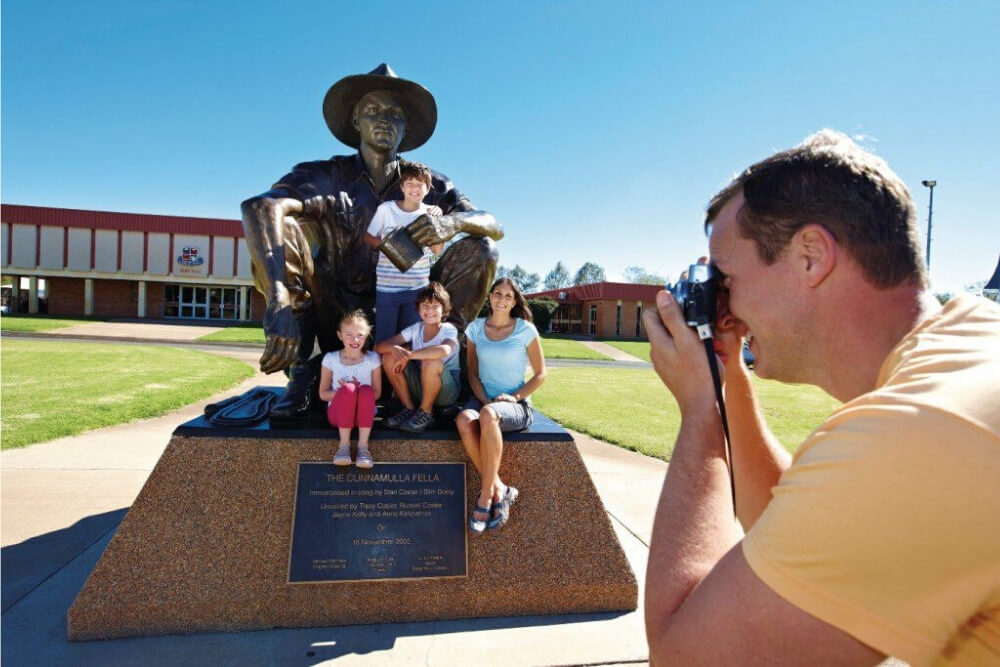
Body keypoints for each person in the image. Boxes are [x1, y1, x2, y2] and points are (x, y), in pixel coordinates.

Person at [642, 130, 1000, 665]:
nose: (726, 304)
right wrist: (726, 376)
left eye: (729, 277)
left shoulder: (917, 432)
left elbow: (682, 656)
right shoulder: (967, 352)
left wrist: (700, 413)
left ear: (811, 256)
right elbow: (793, 538)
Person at [240, 64, 503, 419]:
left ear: (405, 128)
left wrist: (452, 223)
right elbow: (260, 206)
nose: (384, 120)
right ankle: (303, 375)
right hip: (338, 311)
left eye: (395, 115)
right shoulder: (325, 175)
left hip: (410, 314)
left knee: (481, 247)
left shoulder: (427, 182)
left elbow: (492, 223)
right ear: (355, 122)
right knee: (284, 230)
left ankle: (439, 364)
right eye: (373, 111)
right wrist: (277, 298)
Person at [456, 278, 546, 535]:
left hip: (516, 405)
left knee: (488, 415)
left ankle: (485, 497)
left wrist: (516, 397)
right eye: (497, 294)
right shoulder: (475, 329)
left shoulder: (525, 330)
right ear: (490, 297)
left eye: (508, 295)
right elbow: (472, 373)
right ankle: (500, 488)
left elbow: (540, 375)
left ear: (515, 300)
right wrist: (485, 400)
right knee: (464, 420)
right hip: (485, 400)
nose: (502, 299)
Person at [365, 160, 445, 344]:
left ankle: (408, 373)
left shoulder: (431, 213)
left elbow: (437, 251)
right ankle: (382, 373)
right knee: (384, 342)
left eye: (420, 184)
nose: (415, 188)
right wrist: (392, 248)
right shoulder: (386, 209)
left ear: (428, 188)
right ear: (402, 186)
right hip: (387, 288)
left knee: (411, 342)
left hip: (417, 289)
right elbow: (369, 237)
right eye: (410, 183)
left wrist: (436, 224)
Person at [374, 281, 461, 434]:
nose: (430, 311)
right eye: (425, 306)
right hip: (423, 383)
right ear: (418, 309)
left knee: (431, 361)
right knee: (389, 357)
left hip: (446, 391)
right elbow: (380, 347)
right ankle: (409, 409)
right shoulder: (416, 329)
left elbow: (444, 350)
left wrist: (409, 355)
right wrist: (395, 348)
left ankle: (426, 413)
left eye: (435, 306)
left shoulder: (448, 329)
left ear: (444, 310)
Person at [318, 310, 382, 469]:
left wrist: (358, 392)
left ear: (367, 335)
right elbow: (323, 394)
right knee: (348, 389)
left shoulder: (373, 359)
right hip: (338, 414)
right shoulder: (331, 359)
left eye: (360, 335)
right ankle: (344, 447)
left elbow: (377, 393)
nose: (355, 339)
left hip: (364, 415)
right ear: (340, 335)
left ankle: (363, 448)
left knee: (366, 390)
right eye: (349, 335)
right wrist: (345, 393)